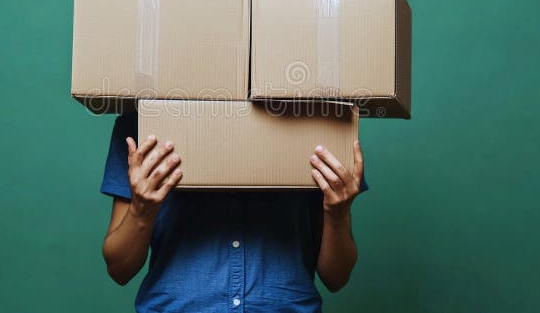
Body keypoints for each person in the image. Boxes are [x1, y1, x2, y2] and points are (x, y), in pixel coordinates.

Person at [100, 112, 368, 313]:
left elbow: (336, 277)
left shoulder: (322, 122)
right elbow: (119, 269)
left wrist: (338, 215)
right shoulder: (144, 123)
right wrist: (141, 211)